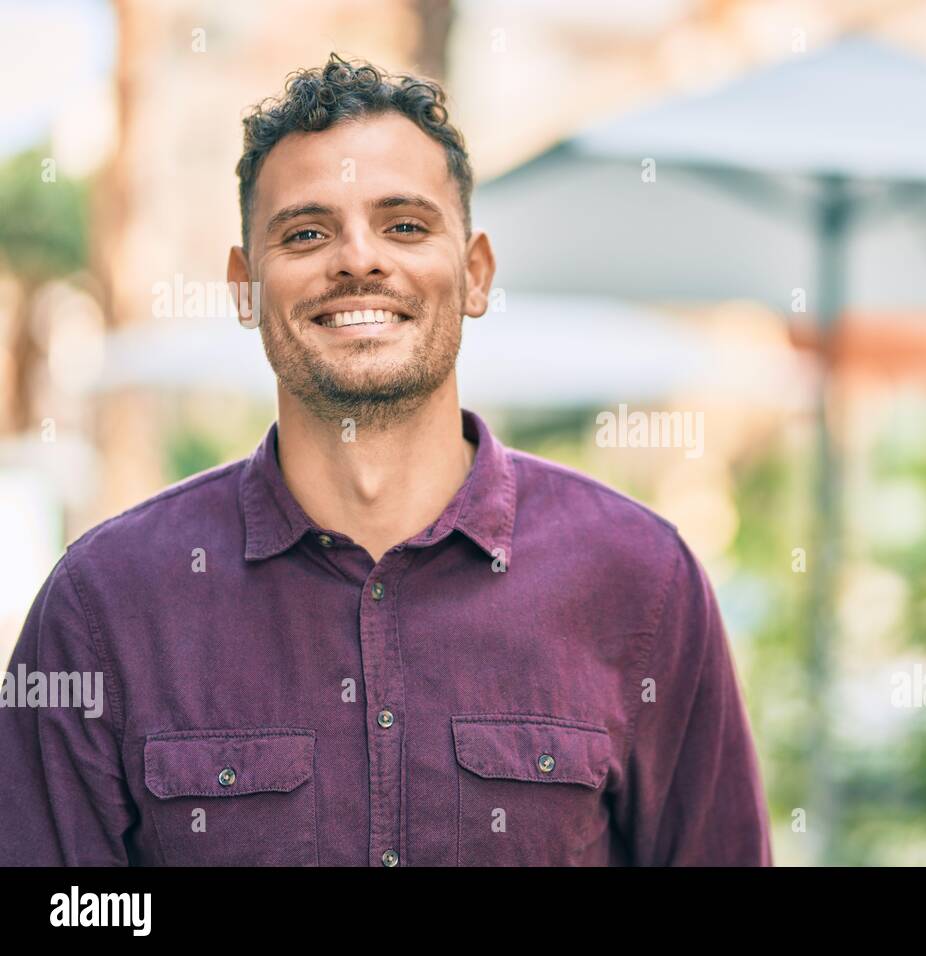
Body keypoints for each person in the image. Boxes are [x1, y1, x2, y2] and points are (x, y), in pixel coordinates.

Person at [0, 53, 772, 866]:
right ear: (243, 288)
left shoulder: (640, 582)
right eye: (306, 232)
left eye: (404, 225)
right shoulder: (103, 607)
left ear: (475, 273)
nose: (359, 260)